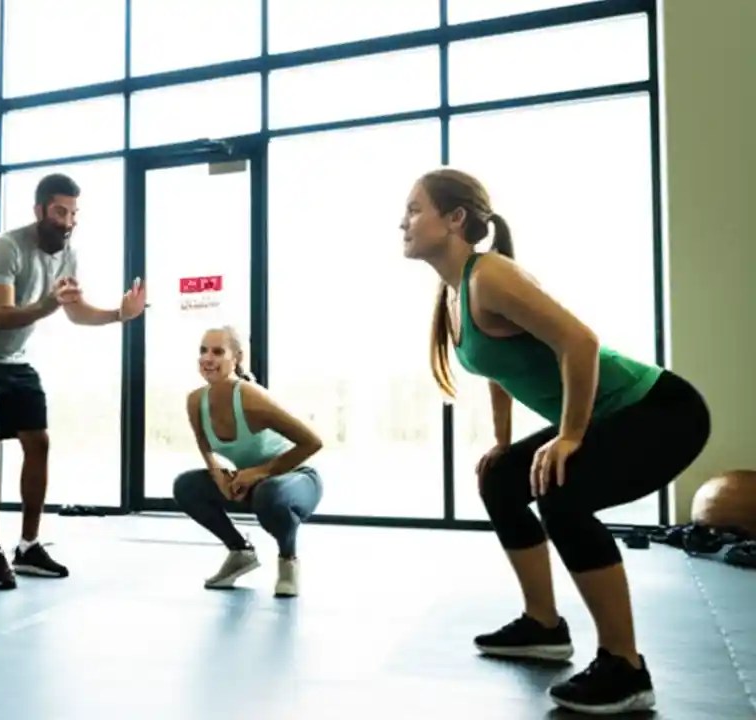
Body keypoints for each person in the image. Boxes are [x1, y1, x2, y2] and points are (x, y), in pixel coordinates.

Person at [400, 167, 710, 715]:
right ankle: (543, 625)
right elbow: (497, 367)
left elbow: (580, 343)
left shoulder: (489, 274)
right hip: (612, 415)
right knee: (501, 479)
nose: (403, 221)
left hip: (662, 409)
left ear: (455, 219)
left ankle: (626, 668)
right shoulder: (454, 295)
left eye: (415, 208)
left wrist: (568, 436)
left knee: (561, 491)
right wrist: (502, 441)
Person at [0, 172, 147, 590]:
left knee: (39, 443)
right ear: (39, 211)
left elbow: (74, 311)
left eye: (74, 213)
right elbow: (0, 316)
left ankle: (28, 546)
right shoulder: (6, 247)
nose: (68, 221)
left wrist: (118, 315)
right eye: (60, 211)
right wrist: (48, 303)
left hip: (14, 360)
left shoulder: (67, 255)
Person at [172, 326, 324, 597]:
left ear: (237, 358)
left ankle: (288, 560)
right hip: (252, 482)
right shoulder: (196, 400)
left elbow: (312, 441)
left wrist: (259, 472)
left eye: (218, 352)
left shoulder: (251, 397)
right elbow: (204, 444)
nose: (208, 358)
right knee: (186, 486)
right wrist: (218, 474)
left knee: (269, 492)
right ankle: (240, 552)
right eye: (203, 351)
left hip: (297, 480)